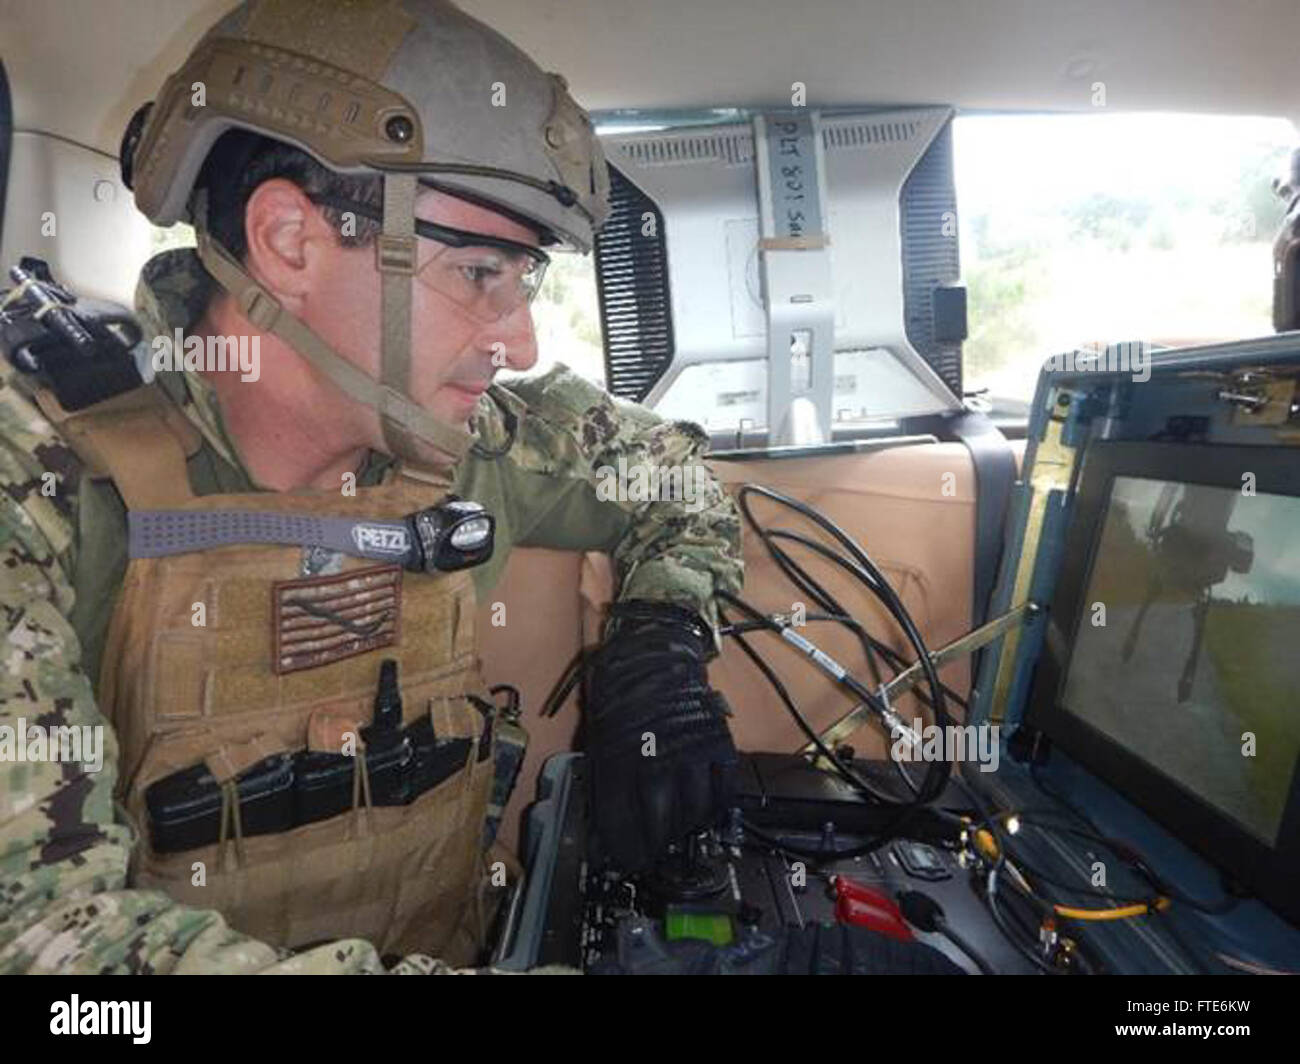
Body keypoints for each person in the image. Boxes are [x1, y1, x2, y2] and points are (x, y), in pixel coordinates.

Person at [0, 0, 742, 974]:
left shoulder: (463, 446)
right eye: (479, 272)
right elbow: (47, 939)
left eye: (522, 280)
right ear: (289, 242)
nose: (518, 341)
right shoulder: (38, 487)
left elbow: (677, 475)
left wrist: (663, 648)